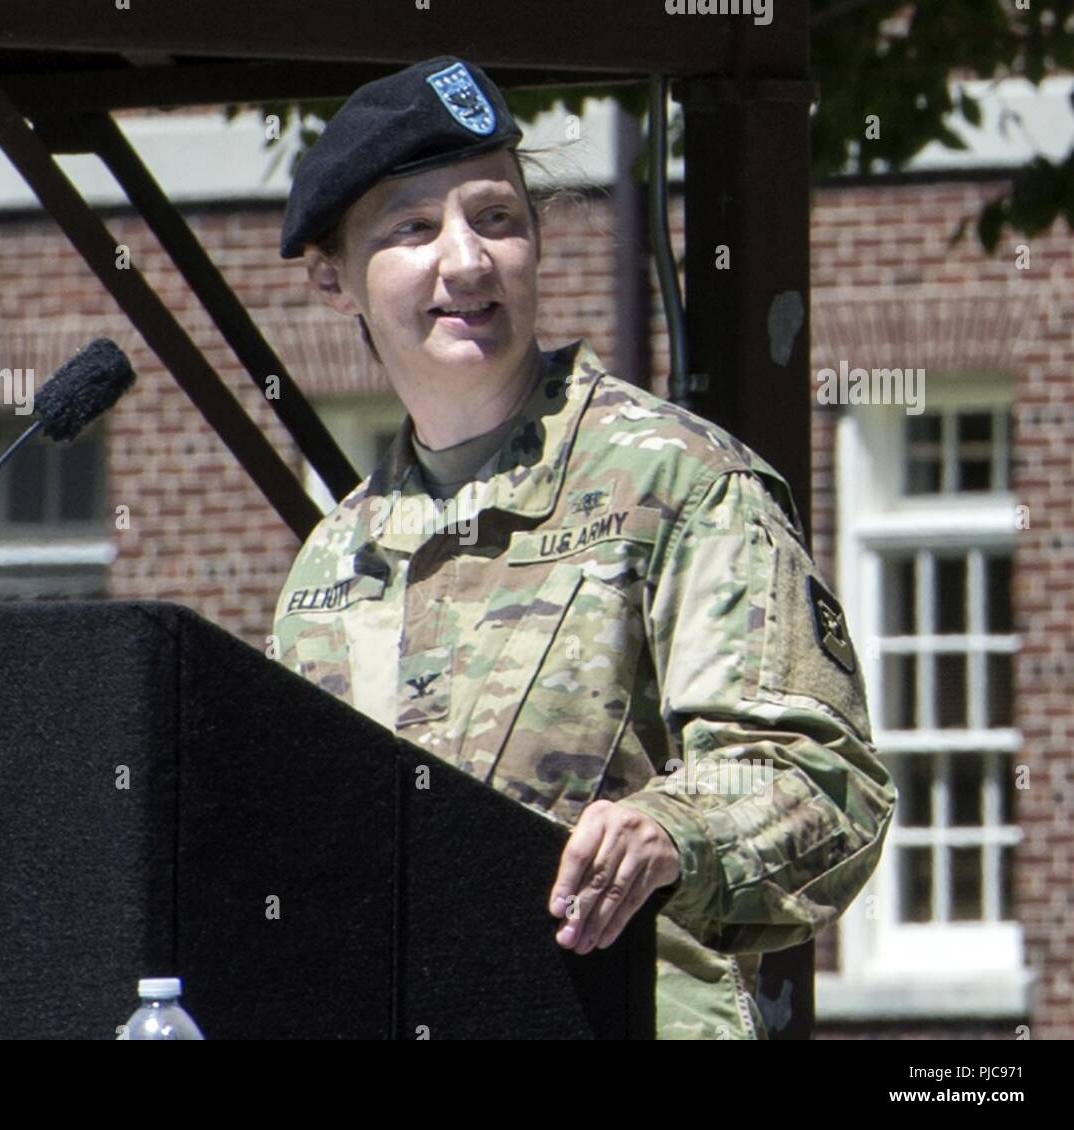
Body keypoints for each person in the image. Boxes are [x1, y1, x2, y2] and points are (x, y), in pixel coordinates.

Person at [271, 55, 896, 1039]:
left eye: (496, 217)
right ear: (330, 277)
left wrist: (674, 832)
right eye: (413, 229)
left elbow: (825, 786)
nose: (467, 262)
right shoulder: (330, 563)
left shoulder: (677, 483)